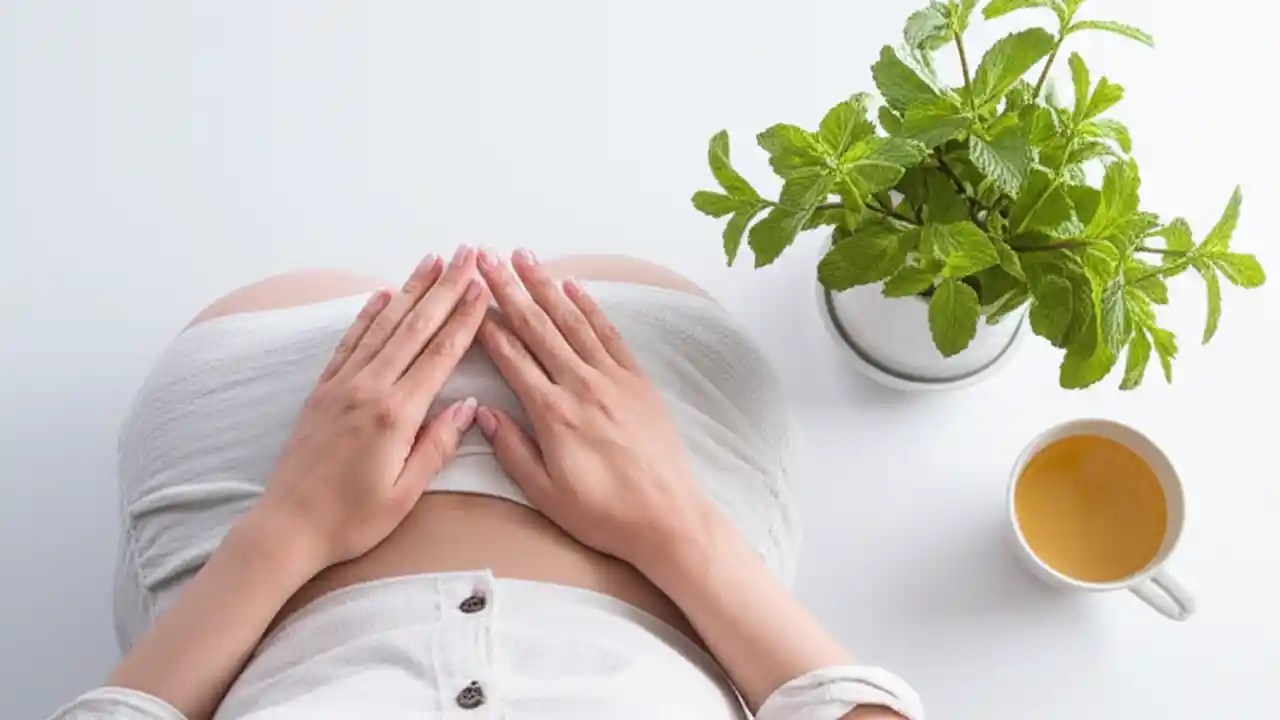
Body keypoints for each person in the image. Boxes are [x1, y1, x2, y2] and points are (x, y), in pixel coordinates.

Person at [51, 246, 923, 719]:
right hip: (665, 522)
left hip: (258, 516)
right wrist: (676, 528)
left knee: (294, 294)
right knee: (628, 285)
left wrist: (289, 529)